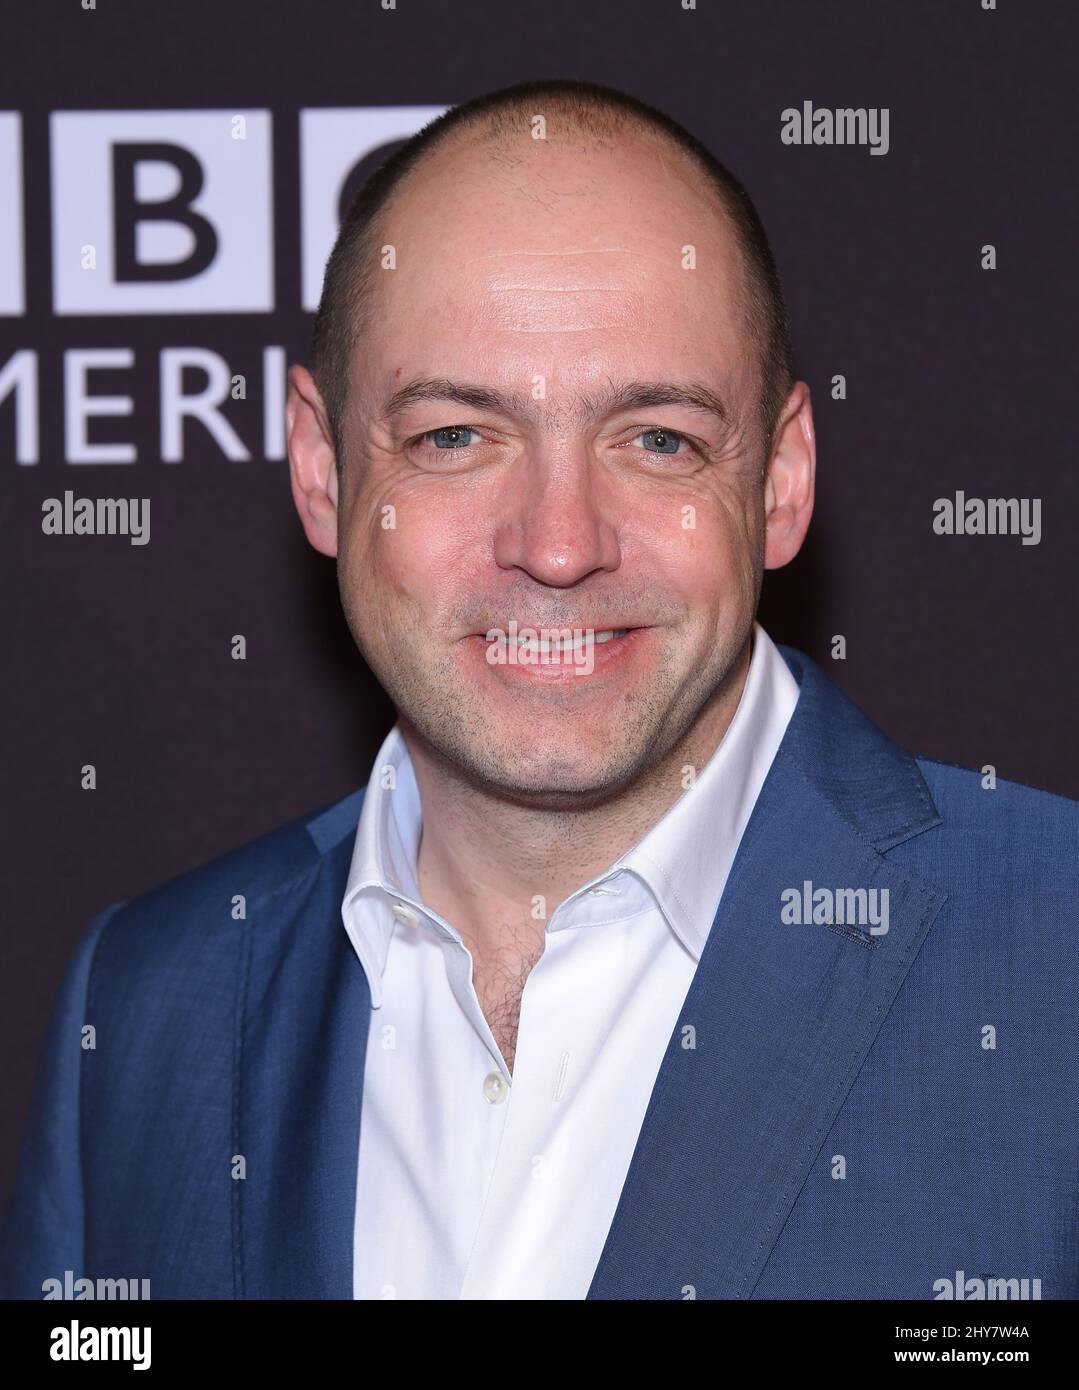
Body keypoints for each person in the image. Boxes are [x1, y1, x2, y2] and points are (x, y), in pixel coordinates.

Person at [3, 79, 1076, 1302]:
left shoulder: (1055, 964)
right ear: (319, 468)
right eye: (455, 436)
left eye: (656, 437)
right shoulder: (147, 1007)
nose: (559, 543)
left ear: (778, 480)